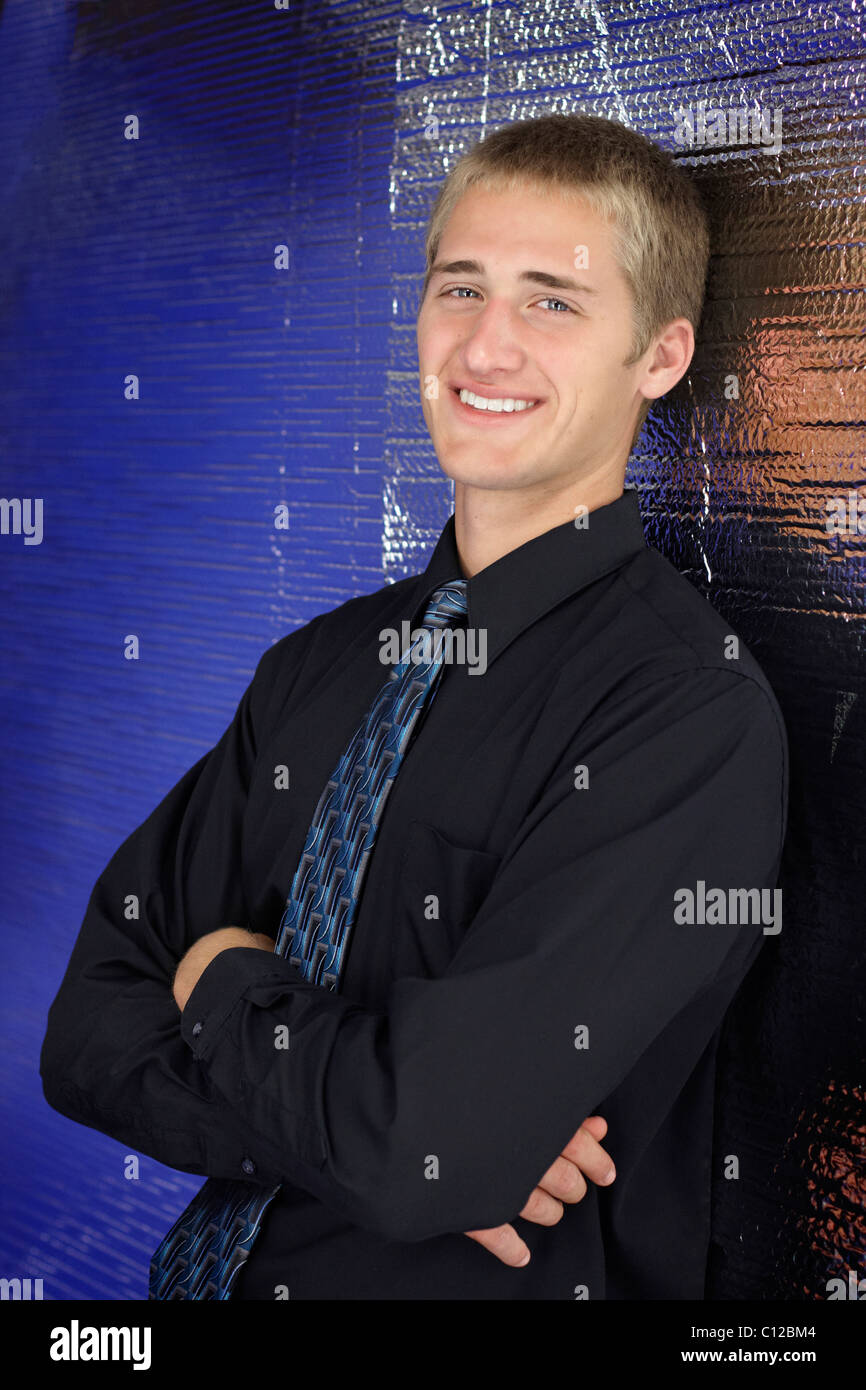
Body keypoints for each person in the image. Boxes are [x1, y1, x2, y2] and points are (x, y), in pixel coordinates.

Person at [40, 111, 788, 1300]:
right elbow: (83, 1034)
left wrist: (217, 977)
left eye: (552, 300)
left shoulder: (681, 713)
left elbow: (412, 1157)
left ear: (657, 355)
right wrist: (381, 1134)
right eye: (460, 288)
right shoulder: (320, 664)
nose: (486, 347)